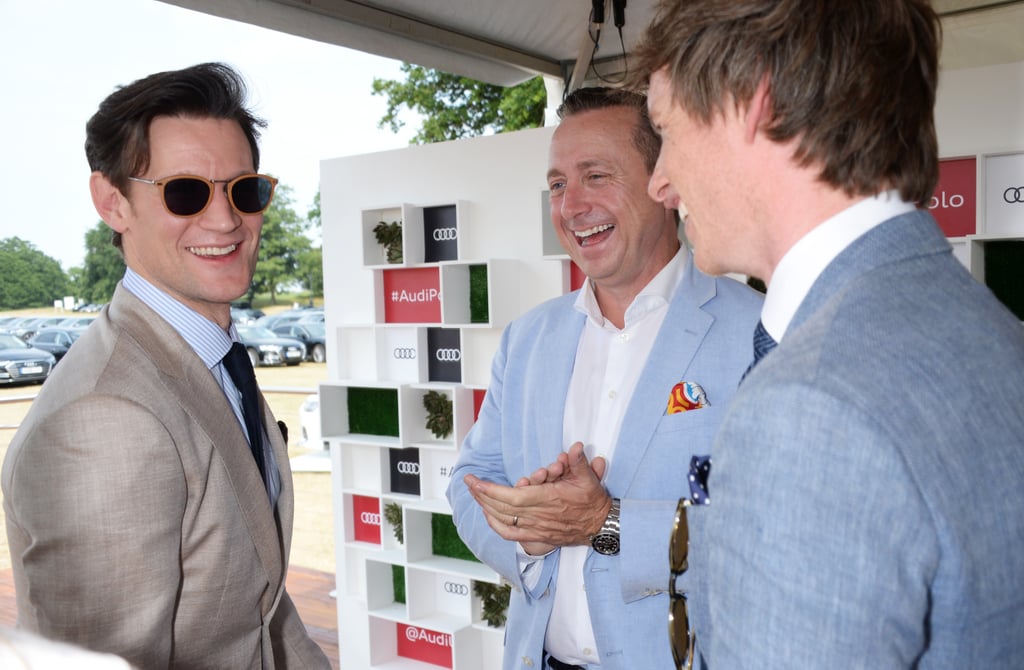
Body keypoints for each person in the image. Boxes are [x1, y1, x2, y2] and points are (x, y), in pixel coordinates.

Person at [634, 0, 1024, 667]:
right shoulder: (988, 328)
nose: (659, 180)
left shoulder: (808, 410)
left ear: (751, 100)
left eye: (666, 129)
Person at [2, 63, 330, 669]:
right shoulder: (103, 421)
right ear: (112, 203)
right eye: (186, 192)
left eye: (244, 189)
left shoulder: (212, 356)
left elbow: (260, 607)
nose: (225, 220)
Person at [446, 86, 762, 670]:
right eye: (559, 185)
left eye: (596, 176)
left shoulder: (758, 336)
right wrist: (528, 534)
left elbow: (774, 535)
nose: (571, 207)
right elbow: (471, 479)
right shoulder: (527, 339)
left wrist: (604, 522)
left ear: (665, 183)